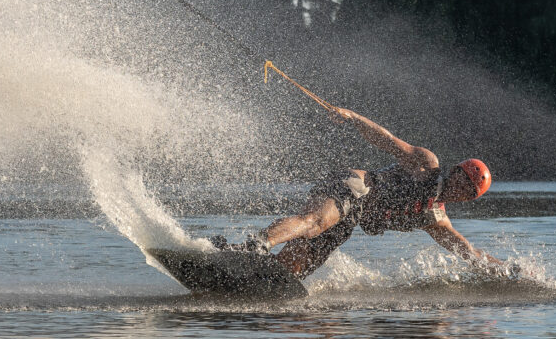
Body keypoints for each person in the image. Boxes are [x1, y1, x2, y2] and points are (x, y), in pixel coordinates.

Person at [214, 104, 506, 278]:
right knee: (314, 223)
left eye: (467, 191)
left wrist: (509, 272)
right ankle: (256, 245)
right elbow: (387, 140)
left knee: (300, 265)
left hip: (351, 219)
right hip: (354, 188)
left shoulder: (435, 218)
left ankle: (255, 276)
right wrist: (352, 117)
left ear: (468, 199)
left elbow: (469, 252)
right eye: (460, 179)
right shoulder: (426, 166)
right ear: (454, 170)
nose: (459, 189)